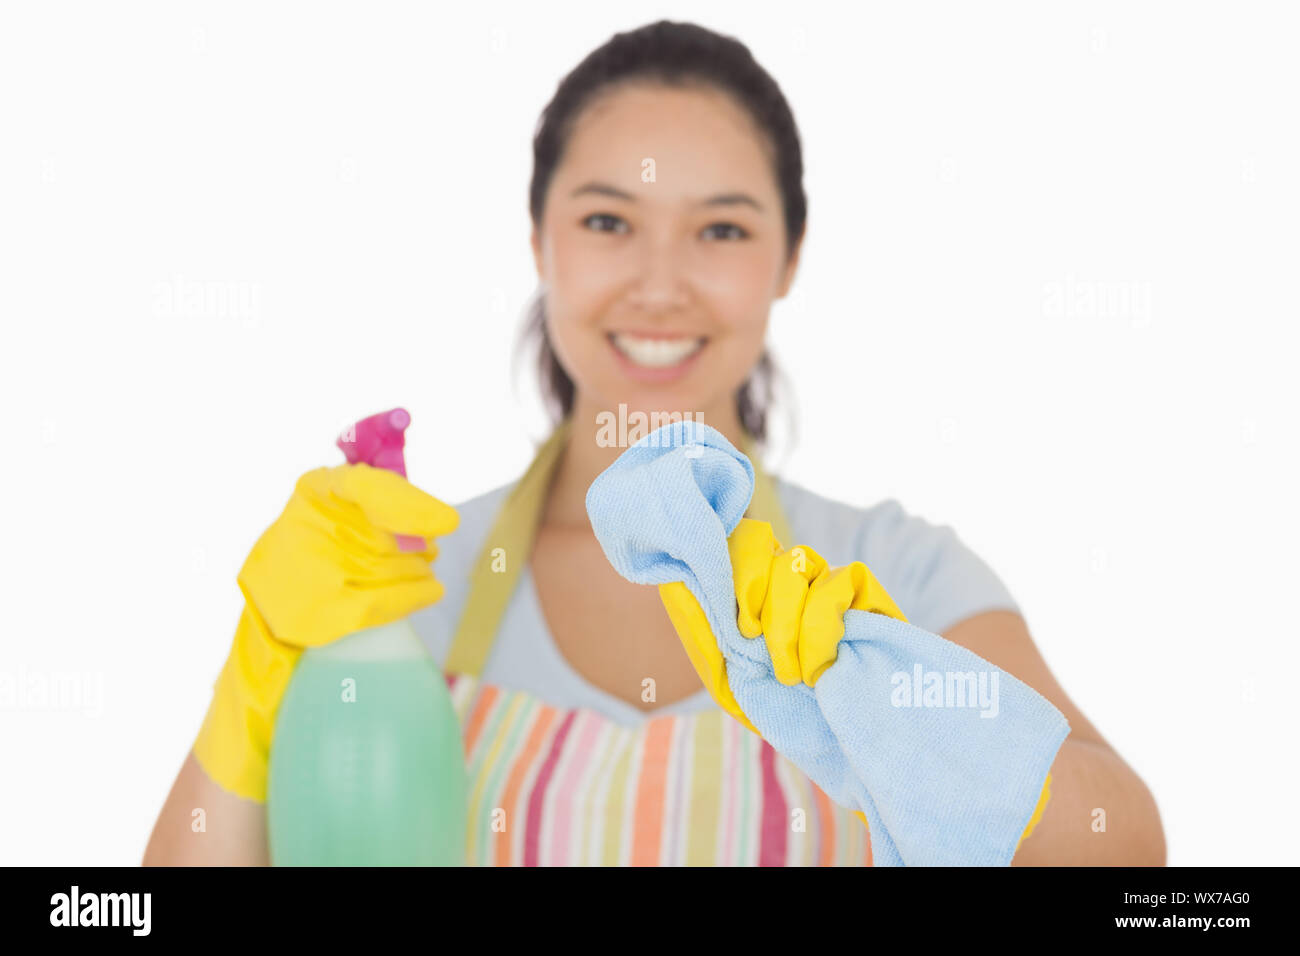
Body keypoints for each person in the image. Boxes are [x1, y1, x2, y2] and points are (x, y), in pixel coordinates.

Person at [144, 19, 1165, 866]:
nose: (660, 283)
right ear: (536, 238)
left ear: (789, 257)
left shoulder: (893, 574)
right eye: (606, 222)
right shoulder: (393, 585)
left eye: (720, 230)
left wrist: (891, 690)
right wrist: (258, 679)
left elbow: (1129, 855)